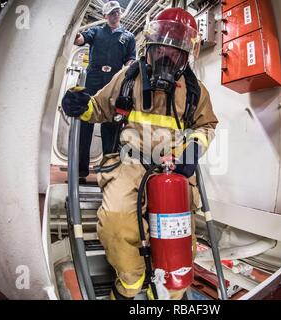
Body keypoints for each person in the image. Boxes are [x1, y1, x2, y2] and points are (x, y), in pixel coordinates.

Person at [62, 8, 218, 300]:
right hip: (129, 165)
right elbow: (99, 108)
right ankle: (129, 286)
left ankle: (168, 294)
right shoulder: (129, 76)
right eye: (162, 49)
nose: (167, 58)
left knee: (178, 238)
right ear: (150, 45)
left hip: (173, 169)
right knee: (117, 223)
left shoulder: (195, 90)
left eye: (176, 53)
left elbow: (207, 125)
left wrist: (190, 152)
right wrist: (79, 105)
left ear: (186, 56)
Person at [74, 1, 136, 182]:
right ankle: (80, 172)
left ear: (120, 13)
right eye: (111, 13)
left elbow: (130, 59)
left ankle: (109, 172)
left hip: (113, 84)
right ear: (104, 16)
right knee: (85, 126)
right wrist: (74, 31)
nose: (115, 15)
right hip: (93, 82)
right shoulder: (96, 32)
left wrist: (128, 71)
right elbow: (80, 39)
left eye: (117, 12)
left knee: (111, 127)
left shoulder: (128, 36)